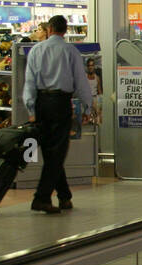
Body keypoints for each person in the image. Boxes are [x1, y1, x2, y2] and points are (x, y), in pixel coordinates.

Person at [23, 15, 94, 213]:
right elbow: (81, 82)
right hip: (61, 103)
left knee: (50, 151)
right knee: (58, 152)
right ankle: (42, 198)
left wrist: (30, 109)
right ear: (65, 30)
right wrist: (88, 107)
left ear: (50, 29)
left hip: (41, 103)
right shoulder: (70, 51)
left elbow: (29, 82)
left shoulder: (36, 50)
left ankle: (64, 197)